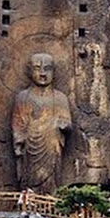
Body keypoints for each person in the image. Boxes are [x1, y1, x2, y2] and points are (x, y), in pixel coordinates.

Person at [12, 52, 73, 193]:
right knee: (29, 180)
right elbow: (18, 125)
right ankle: (30, 201)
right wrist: (19, 142)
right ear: (30, 71)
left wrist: (63, 125)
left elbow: (68, 123)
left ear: (54, 72)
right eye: (37, 68)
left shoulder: (60, 98)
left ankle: (51, 199)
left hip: (51, 148)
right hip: (30, 148)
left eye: (47, 69)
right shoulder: (22, 97)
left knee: (51, 180)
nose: (43, 73)